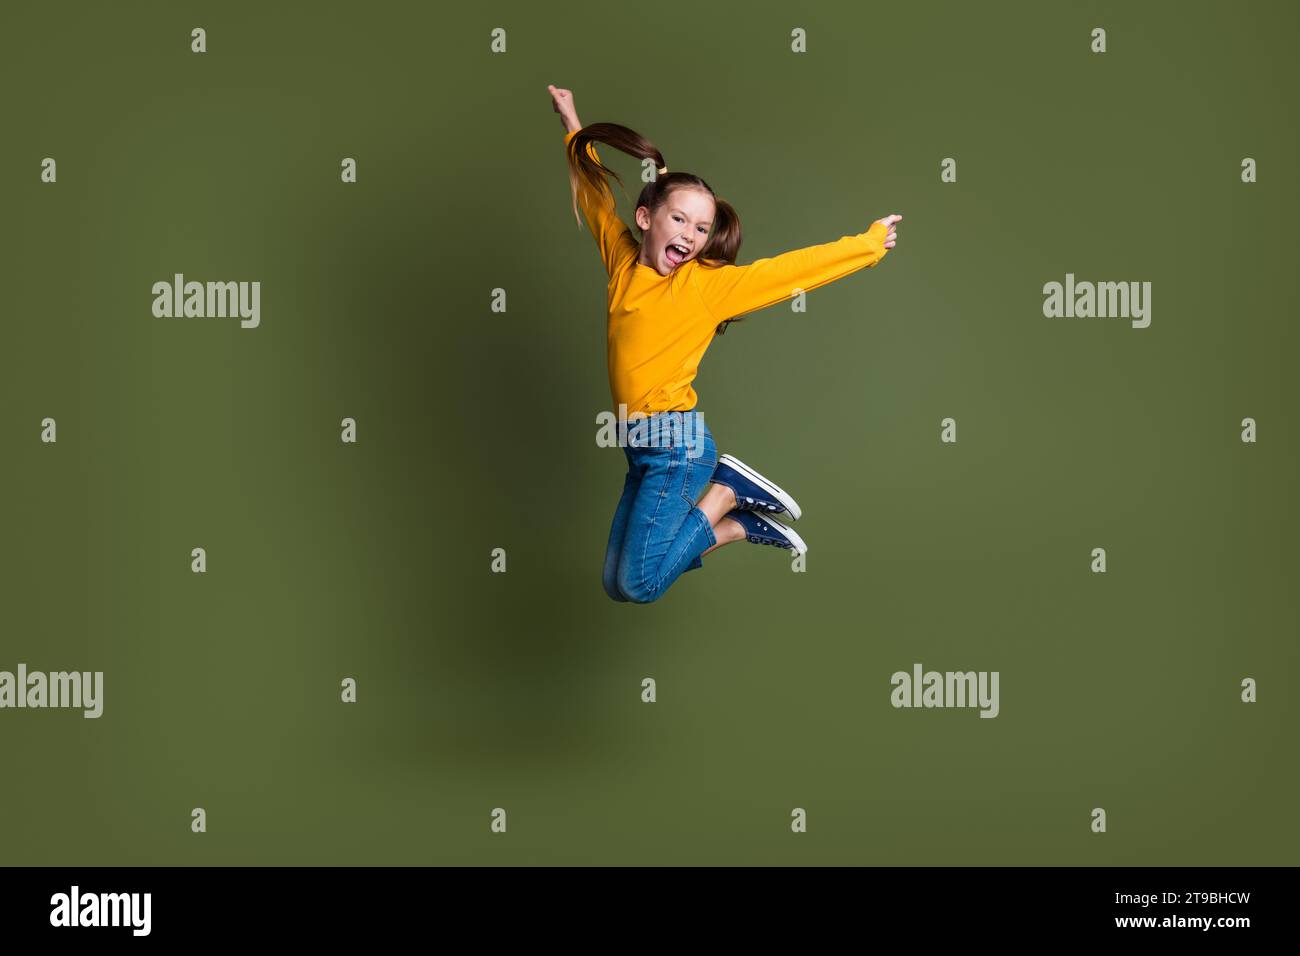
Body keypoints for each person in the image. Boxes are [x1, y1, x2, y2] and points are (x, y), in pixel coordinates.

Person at [549, 85, 901, 604]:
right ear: (646, 219)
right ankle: (736, 519)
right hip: (640, 449)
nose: (690, 236)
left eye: (701, 228)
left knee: (638, 582)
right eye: (679, 220)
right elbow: (595, 197)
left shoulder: (703, 286)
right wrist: (573, 126)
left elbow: (786, 273)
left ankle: (730, 499)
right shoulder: (623, 261)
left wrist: (867, 246)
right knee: (617, 582)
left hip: (676, 447)